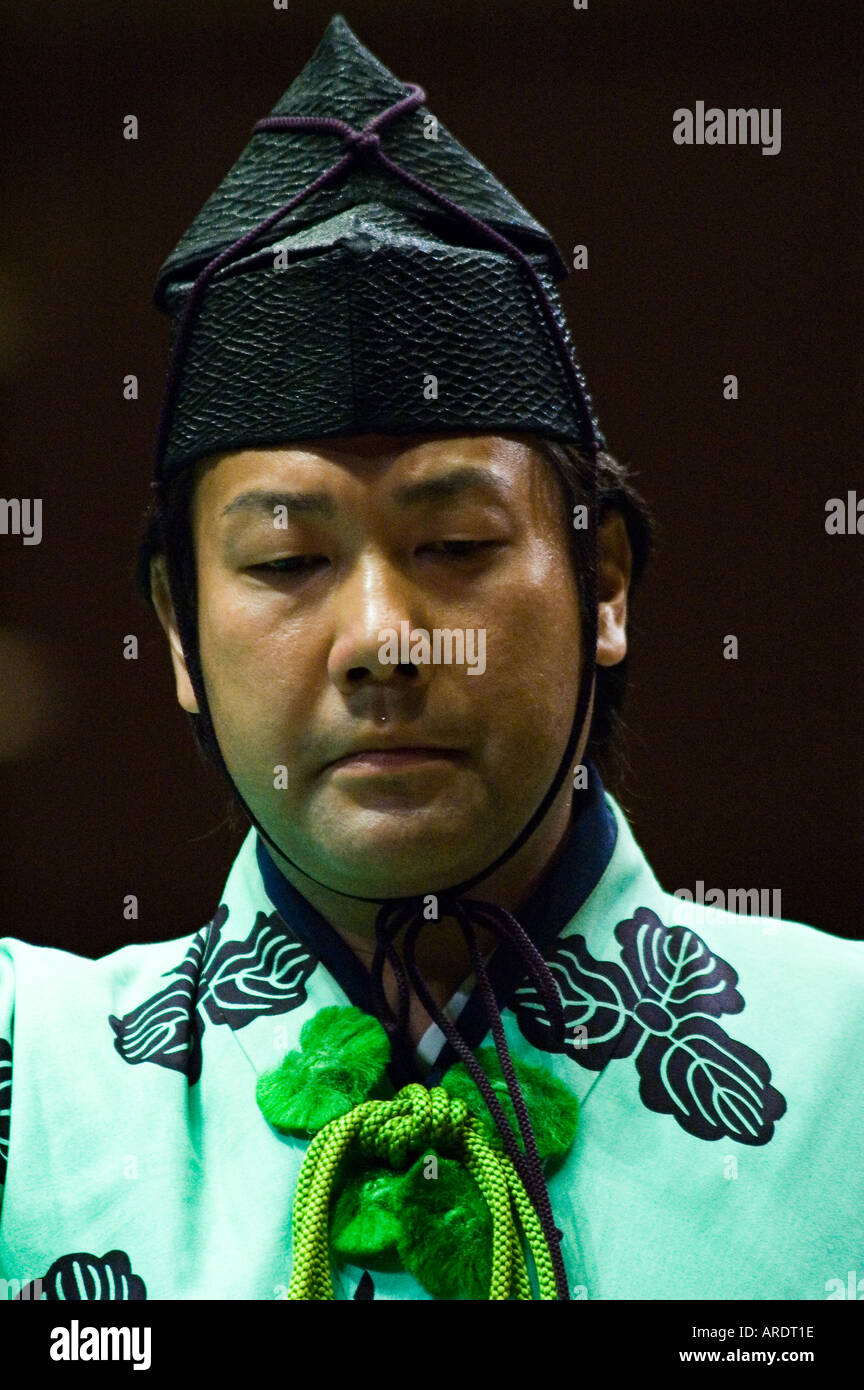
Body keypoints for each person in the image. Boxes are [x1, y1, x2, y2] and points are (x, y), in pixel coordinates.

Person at [1, 14, 861, 1303]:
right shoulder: (31, 1083)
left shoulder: (851, 1063)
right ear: (180, 632)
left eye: (455, 543)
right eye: (288, 564)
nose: (385, 642)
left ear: (604, 583)